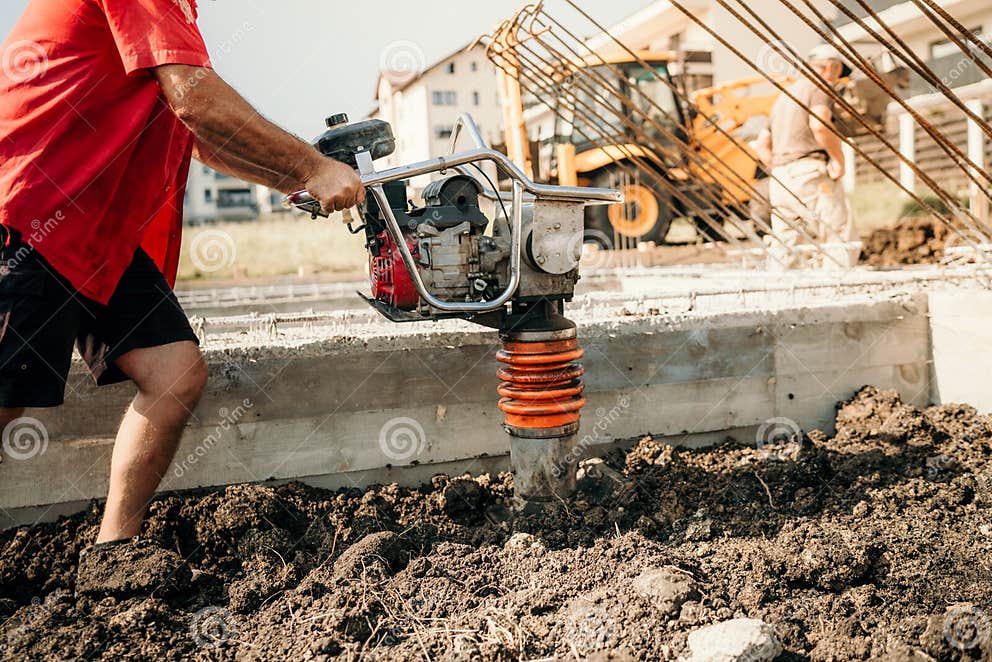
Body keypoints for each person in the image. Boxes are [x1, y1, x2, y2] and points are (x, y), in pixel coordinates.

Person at [0, 0, 364, 551]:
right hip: (34, 209)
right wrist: (313, 168)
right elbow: (195, 98)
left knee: (174, 372)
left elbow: (202, 135)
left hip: (102, 231)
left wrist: (298, 174)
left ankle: (113, 553)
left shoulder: (173, 14)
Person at [754, 44, 858, 269]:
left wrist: (782, 169)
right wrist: (838, 159)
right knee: (837, 233)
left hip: (780, 180)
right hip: (808, 171)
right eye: (839, 73)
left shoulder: (784, 96)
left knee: (786, 243)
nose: (837, 80)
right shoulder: (819, 88)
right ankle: (840, 288)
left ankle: (782, 293)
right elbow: (820, 125)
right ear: (831, 67)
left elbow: (762, 143)